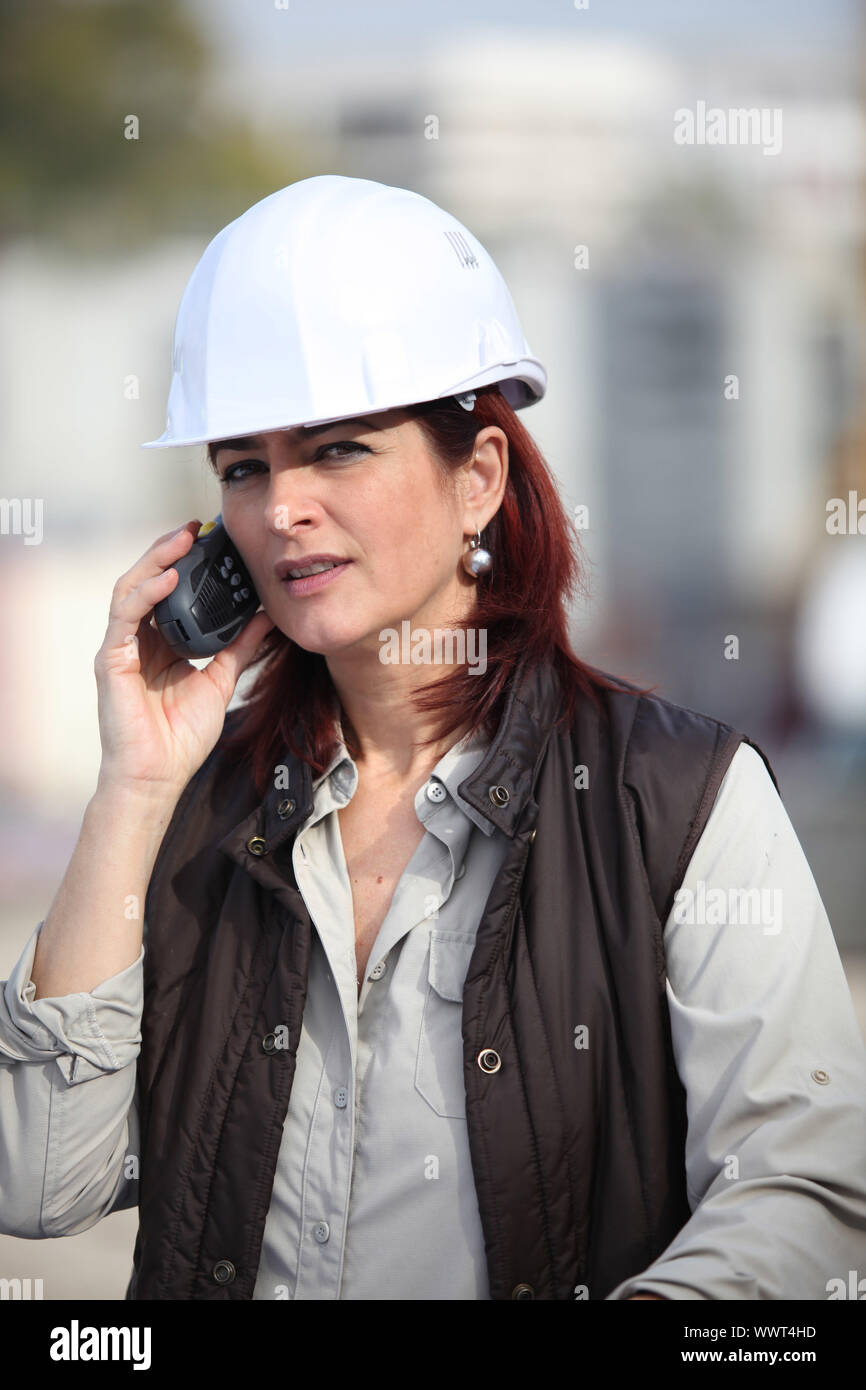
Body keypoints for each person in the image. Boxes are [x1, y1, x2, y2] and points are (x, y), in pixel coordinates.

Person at [1, 175, 865, 1301]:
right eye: (243, 468)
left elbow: (800, 1190)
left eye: (338, 450)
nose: (281, 510)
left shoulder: (677, 798)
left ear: (477, 479)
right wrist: (134, 782)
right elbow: (37, 1181)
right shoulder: (195, 812)